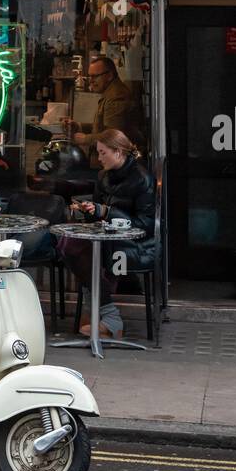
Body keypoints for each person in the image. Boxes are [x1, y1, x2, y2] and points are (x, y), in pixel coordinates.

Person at [59, 128, 156, 340]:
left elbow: (145, 225)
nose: (99, 158)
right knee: (68, 243)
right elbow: (99, 214)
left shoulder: (142, 178)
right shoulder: (103, 177)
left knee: (78, 249)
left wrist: (107, 212)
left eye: (103, 153)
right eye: (98, 152)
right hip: (105, 238)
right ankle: (99, 312)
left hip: (136, 244)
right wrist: (89, 210)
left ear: (119, 152)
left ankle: (108, 317)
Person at [62, 55, 138, 159]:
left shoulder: (117, 96)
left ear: (109, 75)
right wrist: (79, 126)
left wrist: (85, 139)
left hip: (115, 161)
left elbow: (113, 137)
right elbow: (102, 127)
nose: (91, 81)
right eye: (90, 76)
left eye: (95, 76)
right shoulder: (110, 93)